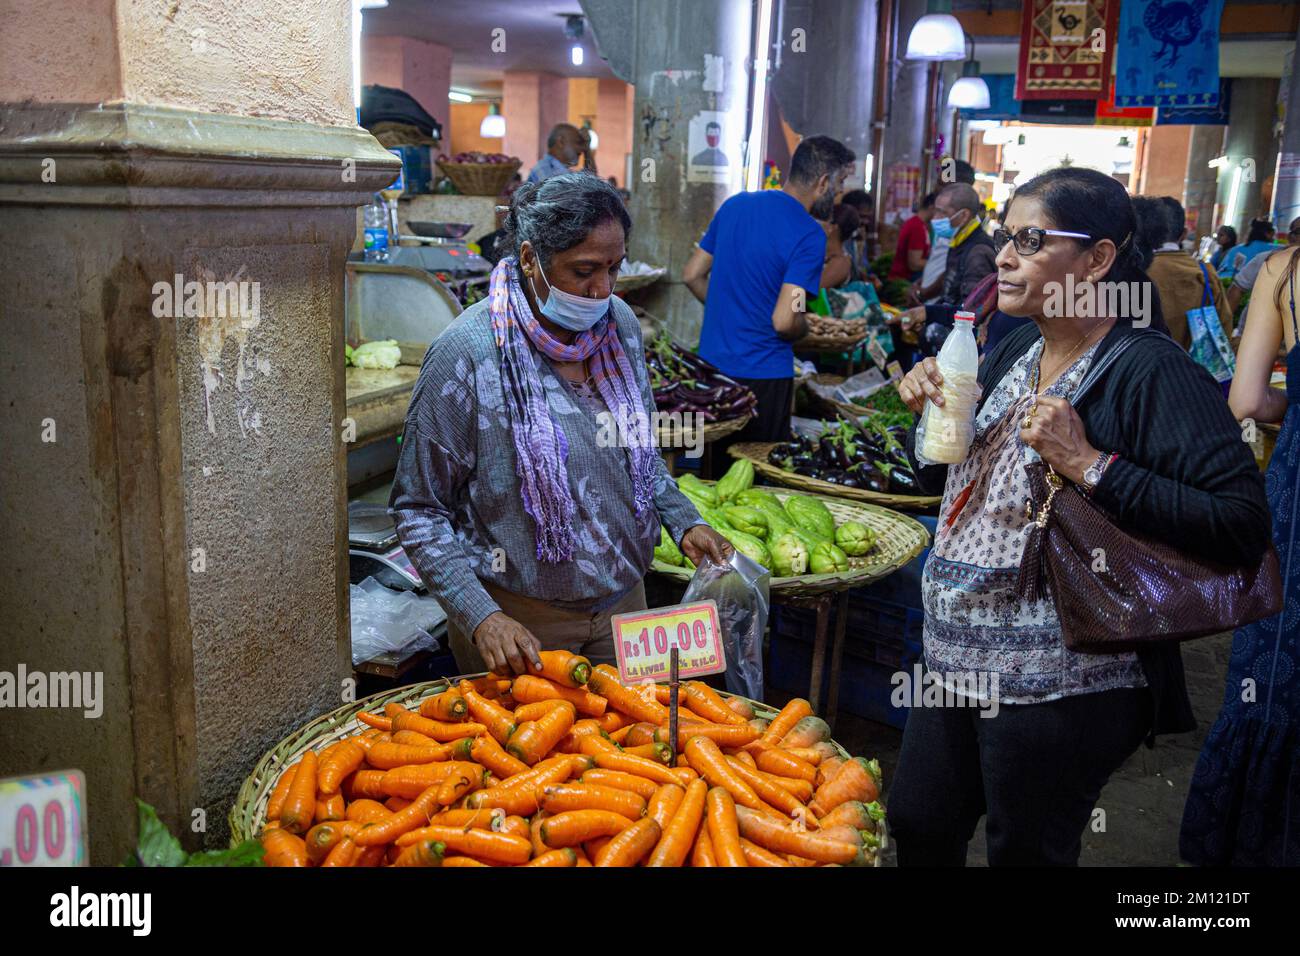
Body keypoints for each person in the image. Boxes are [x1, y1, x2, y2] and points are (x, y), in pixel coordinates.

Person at [887, 166, 1270, 867]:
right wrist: (931, 416)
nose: (1003, 255)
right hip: (955, 657)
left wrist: (1091, 462)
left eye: (1030, 240)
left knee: (1025, 850)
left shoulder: (1151, 371)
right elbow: (943, 481)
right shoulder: (1012, 351)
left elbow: (1242, 522)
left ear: (1097, 259)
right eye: (1006, 237)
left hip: (1062, 680)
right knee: (918, 823)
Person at [390, 173, 730, 675]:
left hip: (624, 607)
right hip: (521, 625)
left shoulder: (621, 328)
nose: (602, 290)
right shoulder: (468, 353)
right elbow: (419, 509)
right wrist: (482, 617)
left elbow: (638, 453)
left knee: (629, 746)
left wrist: (684, 521)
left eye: (614, 268)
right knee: (531, 750)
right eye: (584, 270)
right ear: (529, 259)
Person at [1181, 243, 1300, 867]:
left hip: (1297, 491)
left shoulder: (1284, 270)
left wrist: (1295, 406)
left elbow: (1247, 401)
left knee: (1278, 664)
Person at [684, 135, 856, 445]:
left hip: (709, 369)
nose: (842, 192)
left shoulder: (735, 205)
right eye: (841, 182)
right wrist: (802, 327)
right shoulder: (809, 235)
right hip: (762, 378)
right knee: (755, 477)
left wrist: (733, 313)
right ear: (822, 182)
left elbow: (692, 275)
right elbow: (785, 321)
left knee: (709, 473)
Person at [897, 183, 997, 356]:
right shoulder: (959, 240)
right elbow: (950, 281)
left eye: (942, 212)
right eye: (936, 211)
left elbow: (973, 313)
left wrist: (928, 313)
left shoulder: (978, 252)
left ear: (964, 215)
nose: (935, 218)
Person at [1133, 195, 1233, 351]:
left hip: (1138, 368)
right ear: (1184, 234)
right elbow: (1224, 328)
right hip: (1192, 370)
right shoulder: (1206, 274)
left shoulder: (1133, 271)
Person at [1227, 216, 1300, 317]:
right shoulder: (1269, 258)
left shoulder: (1237, 249)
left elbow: (1236, 288)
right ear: (1291, 237)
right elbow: (1237, 288)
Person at [527, 123, 596, 184]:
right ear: (561, 142)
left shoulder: (562, 171)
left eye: (583, 144)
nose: (582, 149)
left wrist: (587, 150)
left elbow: (591, 183)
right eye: (578, 142)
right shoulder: (544, 169)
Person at [889, 191, 935, 282]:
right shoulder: (916, 227)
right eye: (941, 211)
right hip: (905, 280)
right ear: (931, 207)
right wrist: (939, 264)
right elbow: (914, 264)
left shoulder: (919, 224)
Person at [820, 203, 861, 289]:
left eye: (823, 219)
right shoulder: (825, 255)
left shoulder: (841, 262)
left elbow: (813, 288)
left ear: (833, 227)